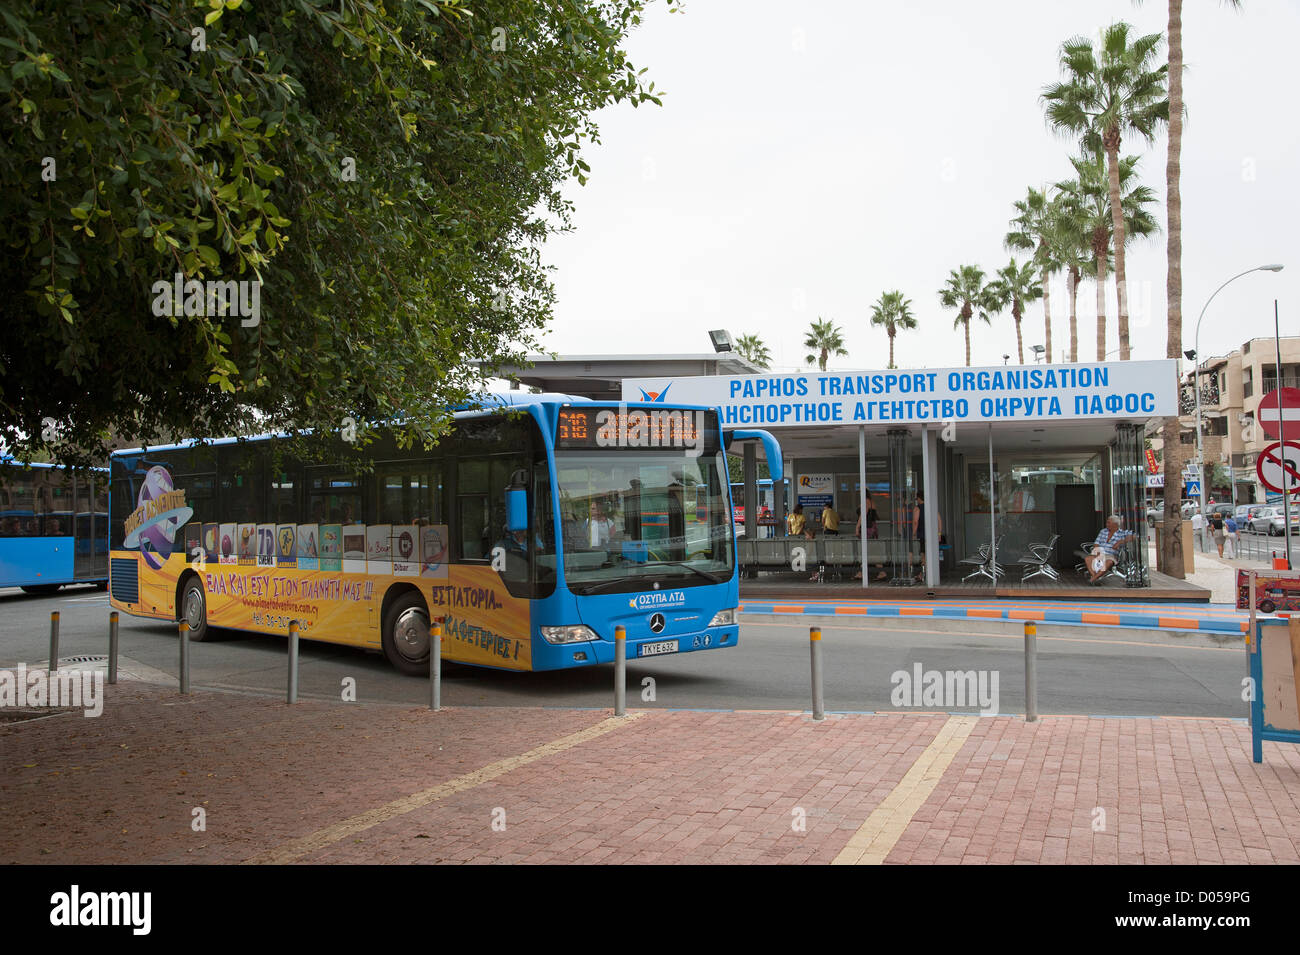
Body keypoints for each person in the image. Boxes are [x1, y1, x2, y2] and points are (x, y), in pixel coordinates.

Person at [1087, 515, 1134, 584]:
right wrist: (1097, 551)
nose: (1107, 524)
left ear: (1115, 525)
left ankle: (1093, 579)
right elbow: (1096, 543)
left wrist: (1120, 541)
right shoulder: (1103, 531)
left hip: (1111, 555)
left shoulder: (1121, 533)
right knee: (1088, 559)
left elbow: (1135, 536)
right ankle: (1095, 577)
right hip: (1100, 553)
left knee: (1109, 562)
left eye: (1109, 523)